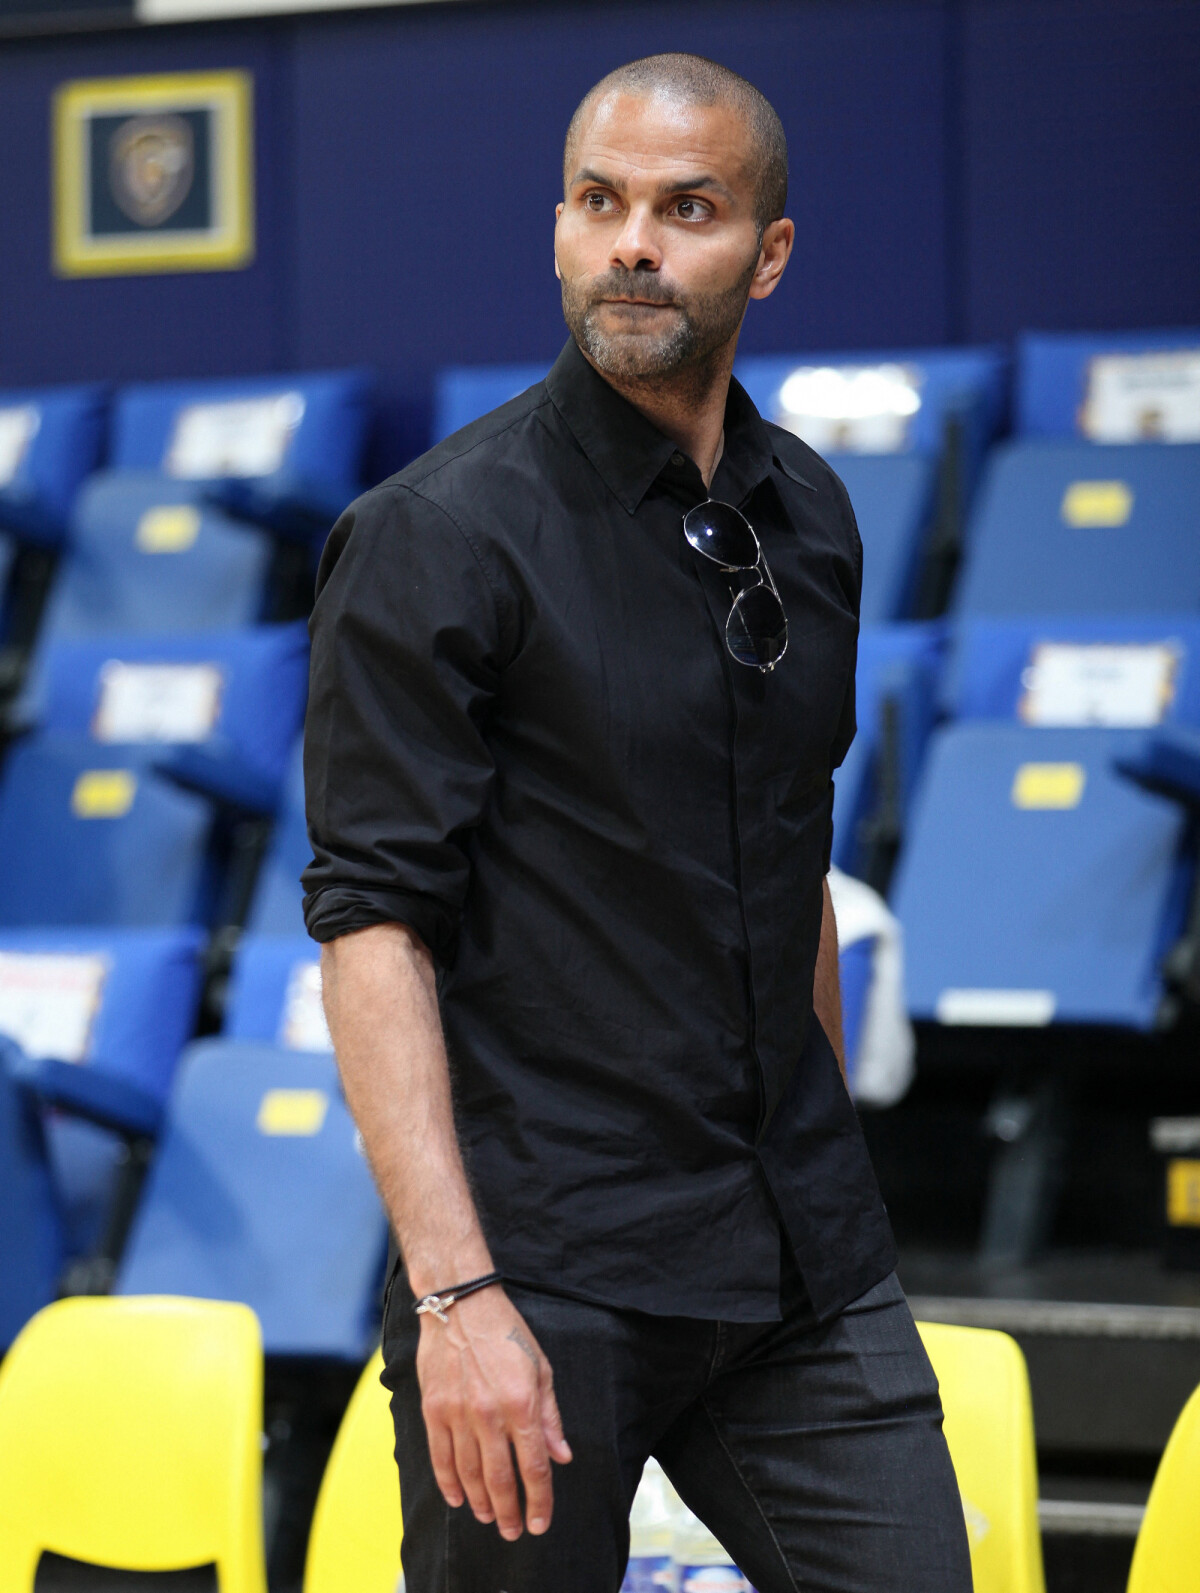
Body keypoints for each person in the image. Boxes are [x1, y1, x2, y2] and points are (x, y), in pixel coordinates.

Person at [303, 52, 972, 1593]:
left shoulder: (810, 514)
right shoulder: (433, 537)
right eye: (601, 203)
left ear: (770, 252)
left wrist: (829, 1158)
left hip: (798, 1251)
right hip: (541, 1270)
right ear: (557, 228)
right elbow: (371, 928)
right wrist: (456, 1293)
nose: (634, 245)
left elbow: (791, 852)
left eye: (687, 209)